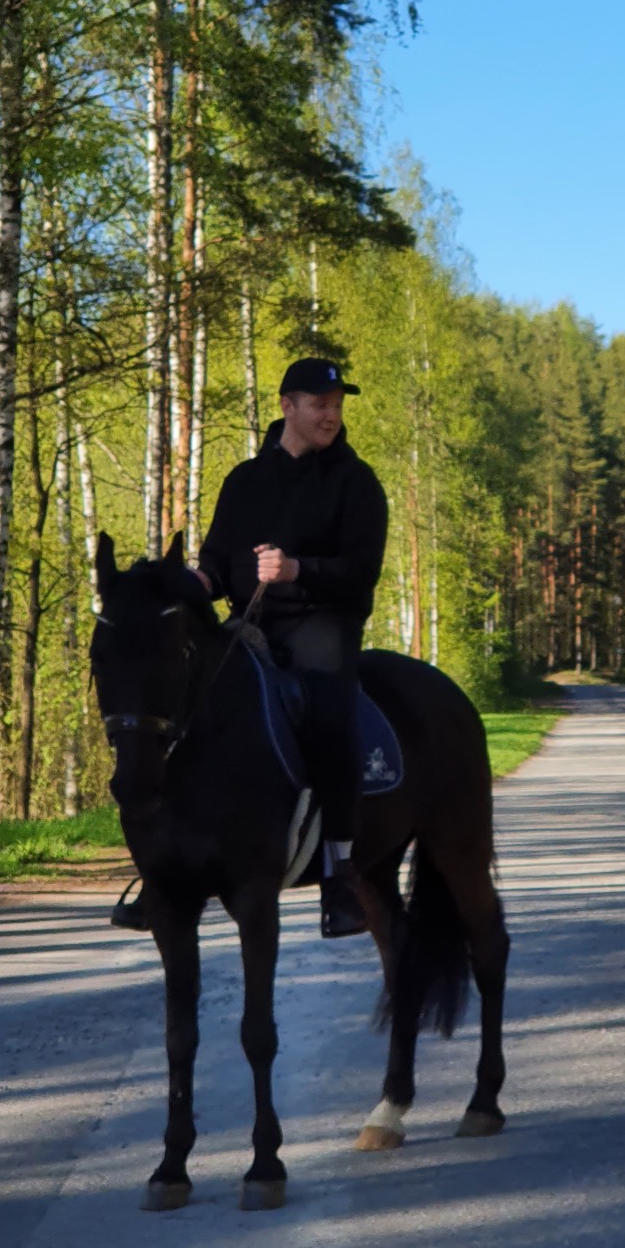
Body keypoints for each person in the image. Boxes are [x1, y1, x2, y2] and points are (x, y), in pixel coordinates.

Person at [111, 356, 387, 938]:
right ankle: (163, 868)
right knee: (186, 704)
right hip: (248, 626)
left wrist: (296, 569)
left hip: (323, 625)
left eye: (337, 407)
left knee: (330, 716)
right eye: (319, 405)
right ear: (287, 406)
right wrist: (188, 586)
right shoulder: (244, 481)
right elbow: (214, 565)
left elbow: (362, 572)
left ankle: (339, 873)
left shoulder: (356, 483)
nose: (330, 417)